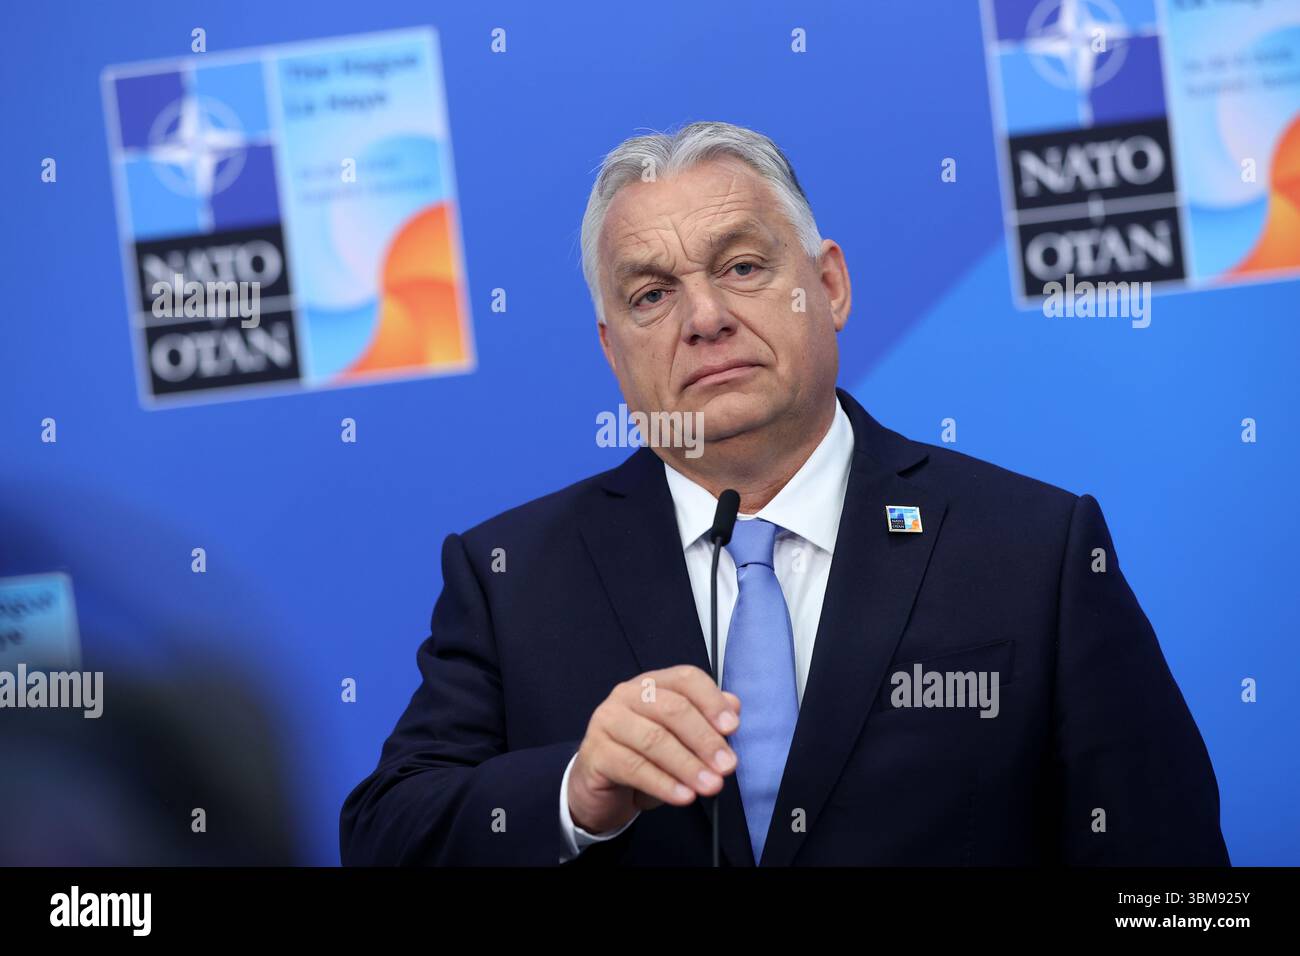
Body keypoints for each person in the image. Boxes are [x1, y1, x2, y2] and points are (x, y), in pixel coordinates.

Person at [339, 121, 1229, 866]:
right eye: (652, 294)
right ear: (613, 352)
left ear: (829, 286)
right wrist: (576, 790)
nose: (704, 318)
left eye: (742, 268)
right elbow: (385, 834)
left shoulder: (1035, 549)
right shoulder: (508, 577)